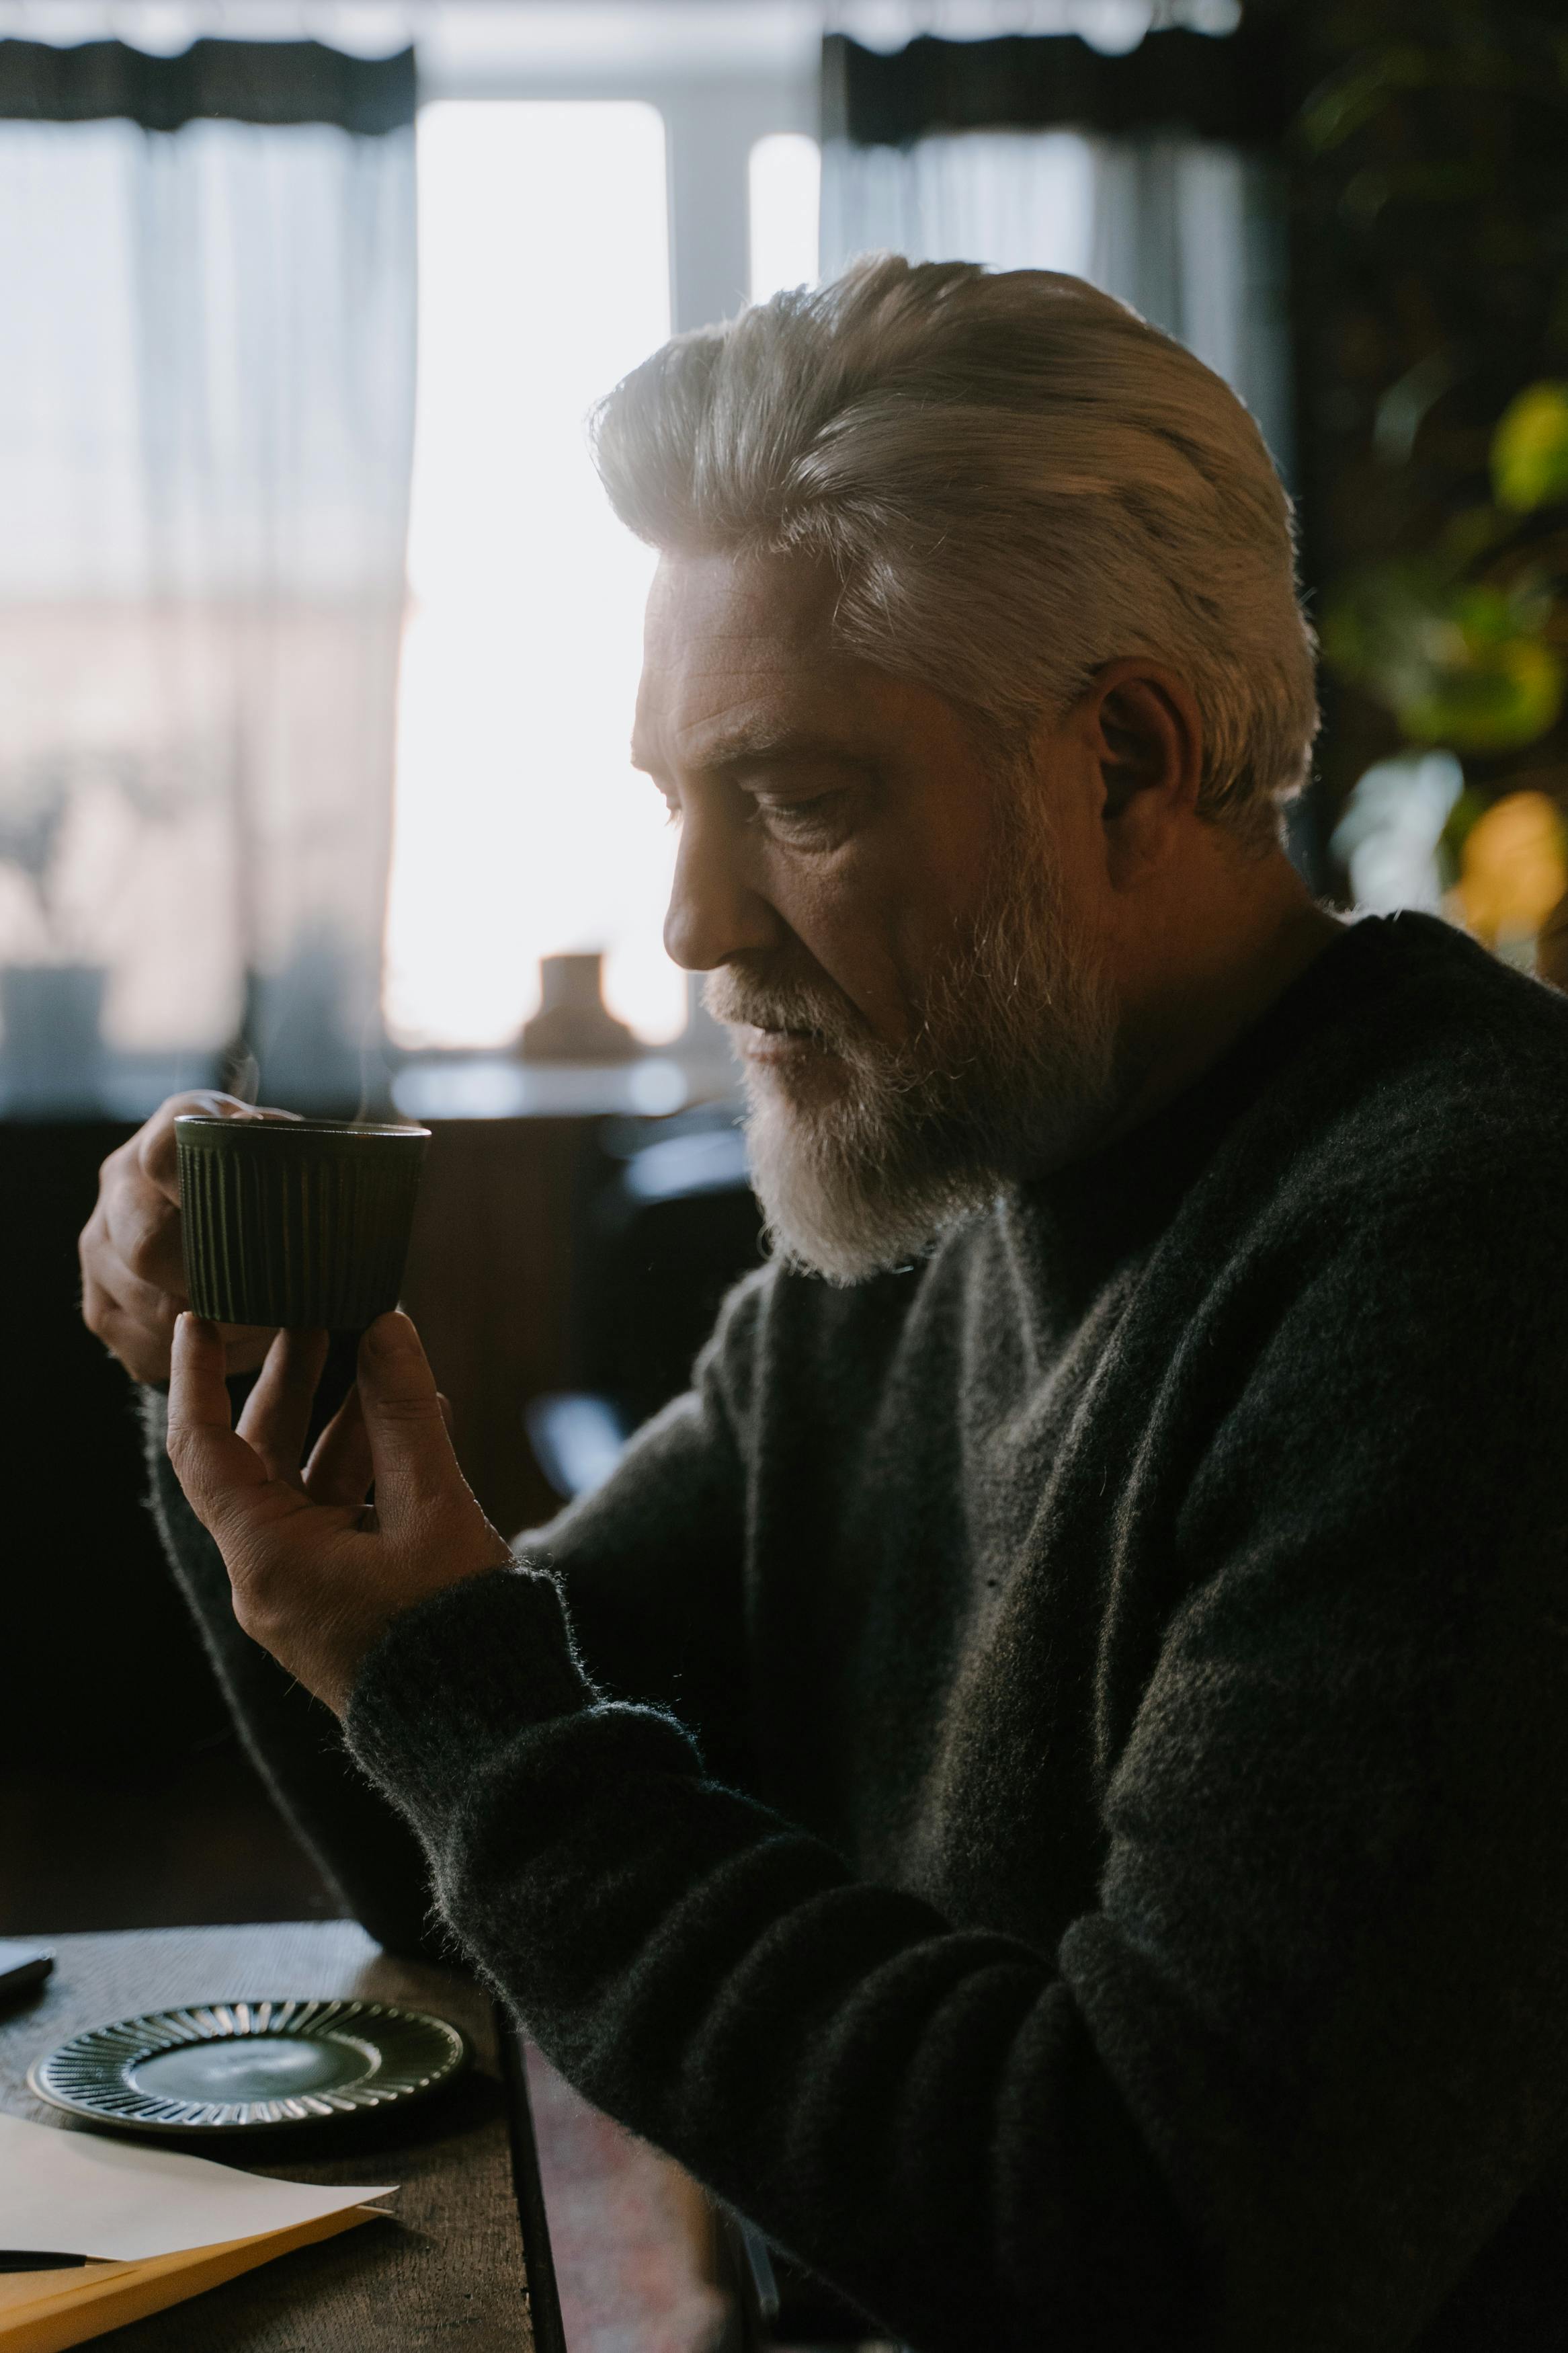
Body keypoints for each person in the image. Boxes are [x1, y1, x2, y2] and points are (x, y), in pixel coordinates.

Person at [80, 260, 1568, 2352]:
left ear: (1128, 761)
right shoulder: (939, 1199)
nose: (693, 921)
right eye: (673, 802)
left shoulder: (1474, 1254)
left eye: (794, 798)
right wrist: (244, 1396)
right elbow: (452, 1835)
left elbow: (1168, 2232)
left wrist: (451, 1686)